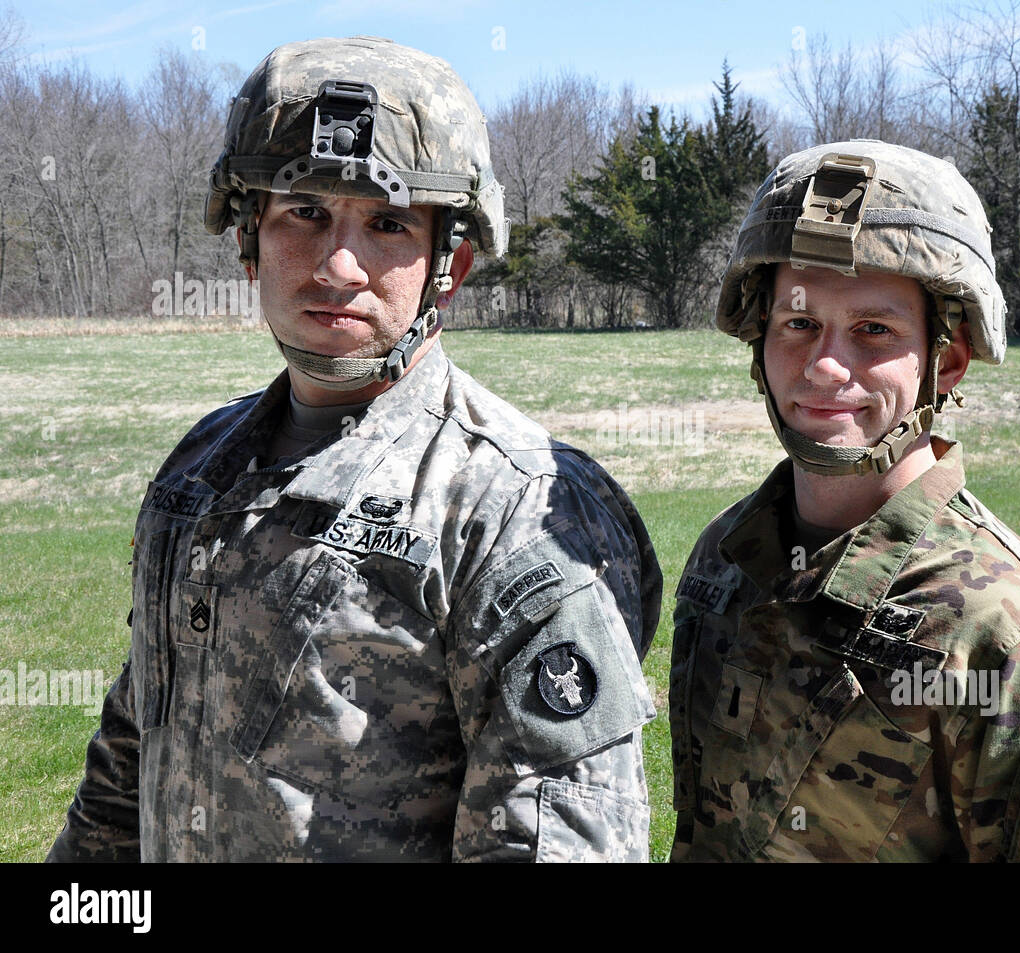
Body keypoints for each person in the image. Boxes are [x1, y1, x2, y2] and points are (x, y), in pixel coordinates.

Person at [46, 36, 661, 862]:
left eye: (387, 223)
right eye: (304, 212)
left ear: (452, 262)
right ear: (249, 236)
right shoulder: (198, 470)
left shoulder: (509, 502)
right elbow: (133, 753)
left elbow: (554, 835)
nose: (339, 264)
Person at [669, 140, 1020, 862]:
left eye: (873, 330)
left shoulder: (1018, 642)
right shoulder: (724, 562)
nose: (825, 365)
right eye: (799, 323)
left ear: (948, 361)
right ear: (760, 341)